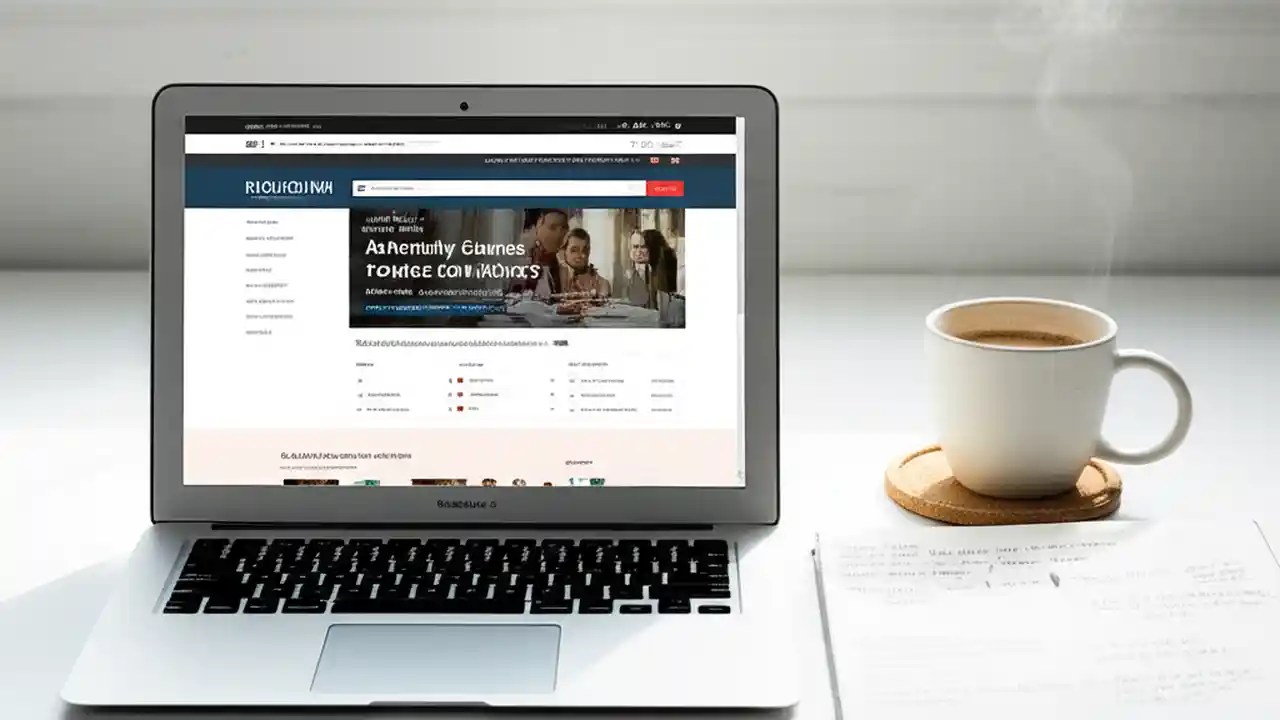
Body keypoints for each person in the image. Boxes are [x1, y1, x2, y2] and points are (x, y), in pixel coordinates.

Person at [510, 209, 569, 298]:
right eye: (552, 227)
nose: (559, 234)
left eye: (564, 228)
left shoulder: (563, 263)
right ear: (539, 224)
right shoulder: (521, 257)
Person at [619, 229, 675, 309]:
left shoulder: (666, 271)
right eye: (635, 247)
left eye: (643, 247)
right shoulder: (636, 272)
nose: (638, 252)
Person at [559, 228, 611, 298]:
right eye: (574, 250)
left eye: (585, 250)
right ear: (564, 251)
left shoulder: (601, 283)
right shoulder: (556, 276)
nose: (582, 255)